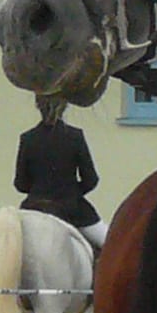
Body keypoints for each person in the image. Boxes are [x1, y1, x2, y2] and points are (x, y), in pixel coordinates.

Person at [14, 93, 106, 249]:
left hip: (34, 208)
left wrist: (41, 190)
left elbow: (20, 184)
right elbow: (91, 179)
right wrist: (72, 192)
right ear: (65, 107)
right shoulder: (75, 136)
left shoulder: (28, 138)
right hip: (72, 210)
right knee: (111, 245)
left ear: (38, 106)